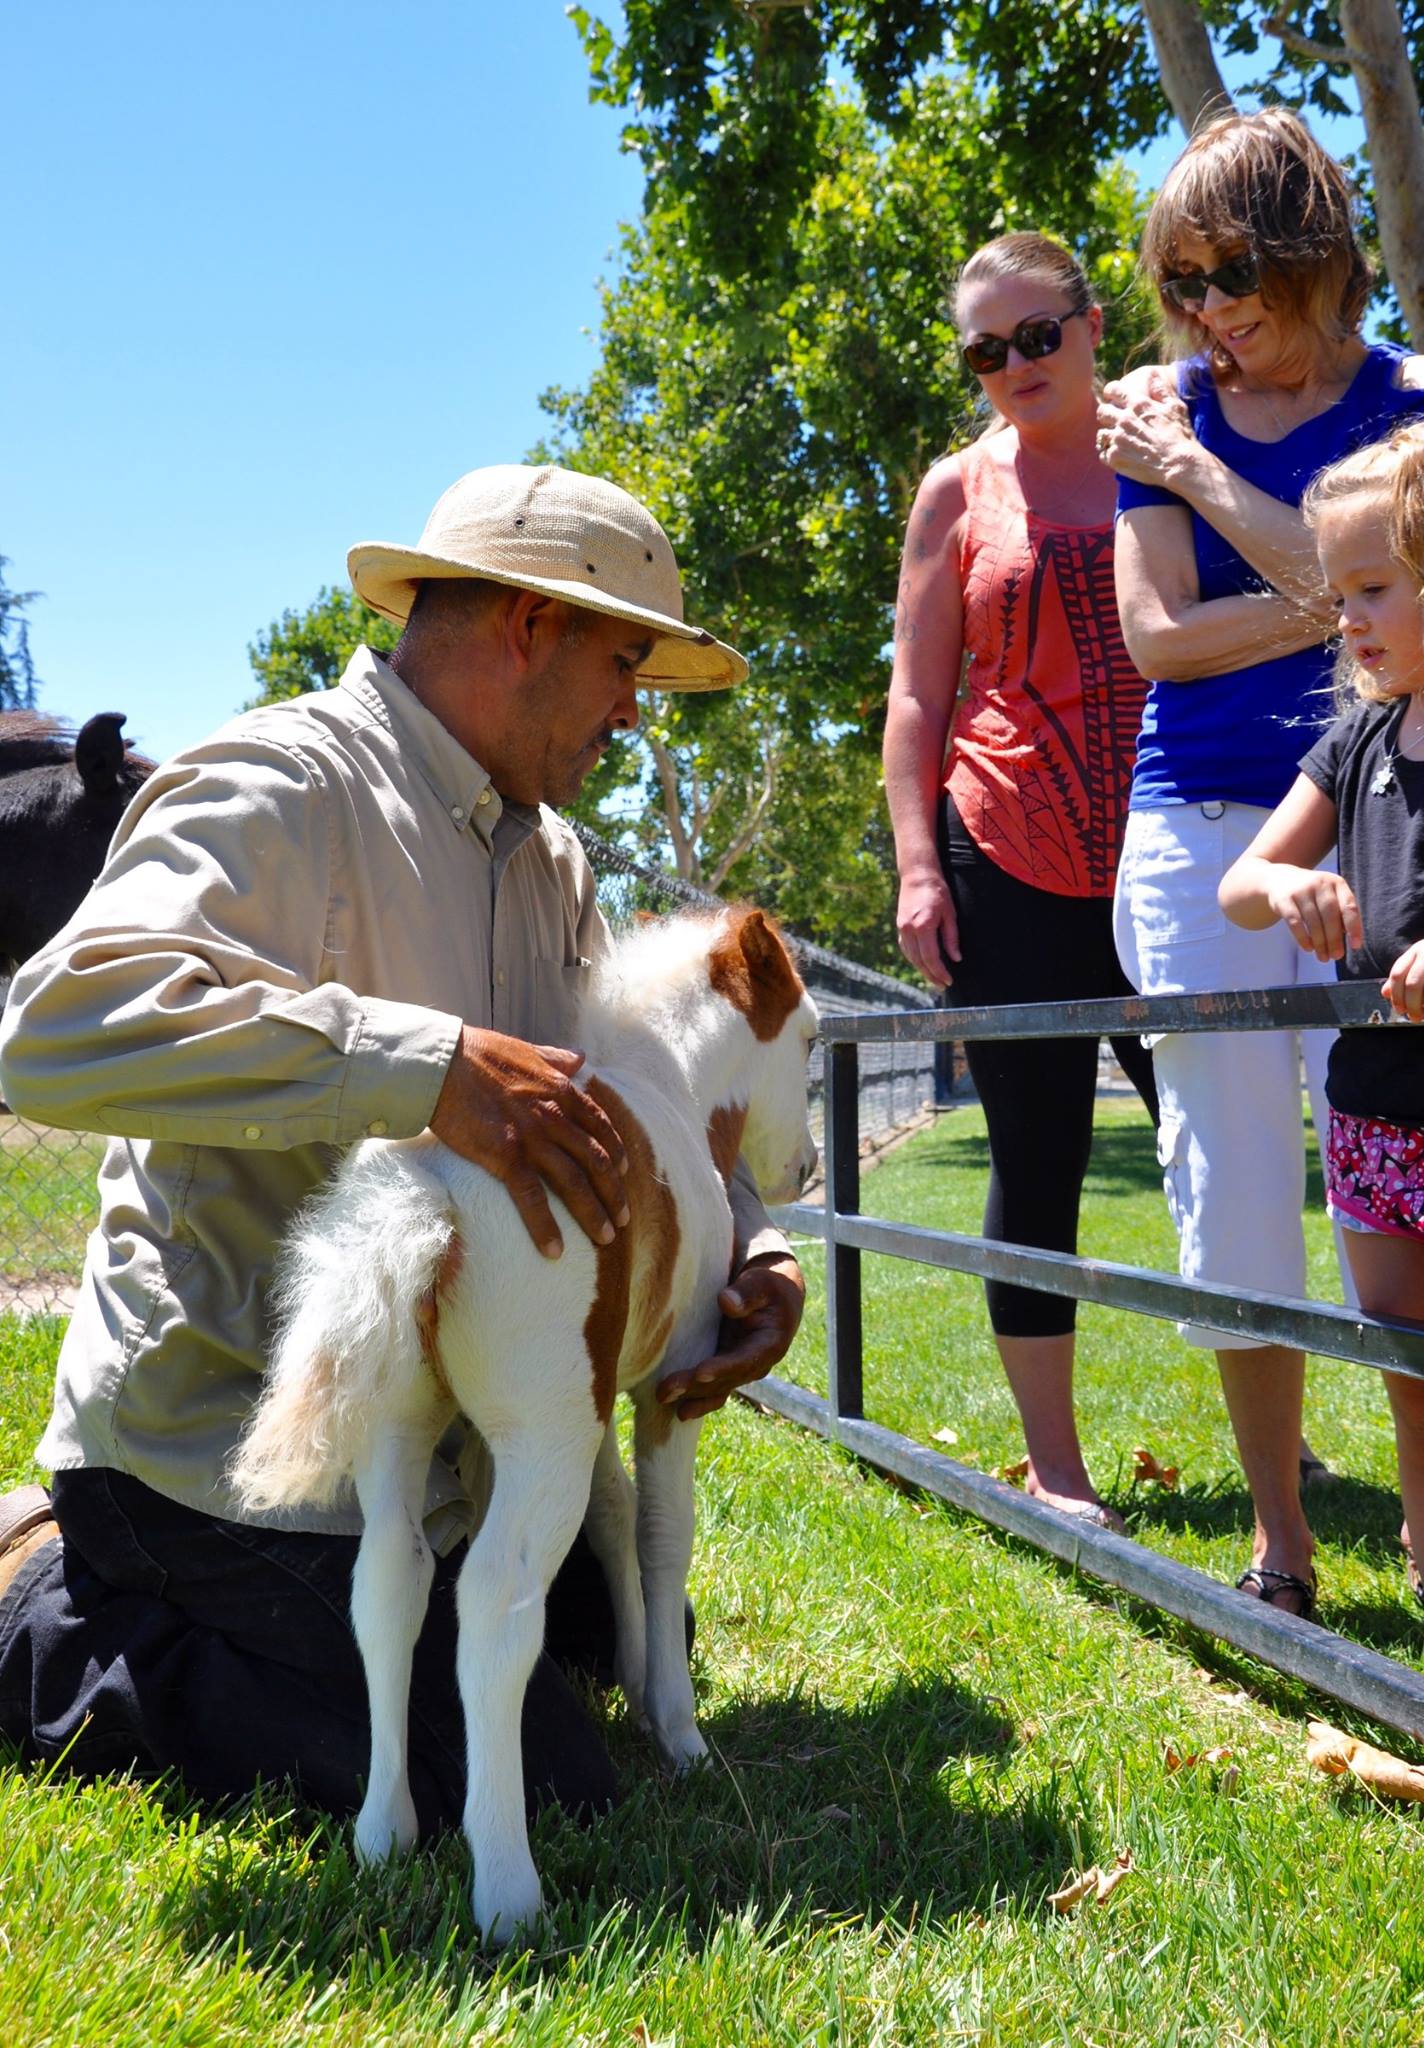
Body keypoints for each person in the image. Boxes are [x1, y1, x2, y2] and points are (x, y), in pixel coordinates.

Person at [0, 463, 805, 1829]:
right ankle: (40, 1607)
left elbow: (631, 1095)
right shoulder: (276, 780)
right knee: (502, 1781)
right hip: (227, 1446)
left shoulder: (551, 857)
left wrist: (754, 1247)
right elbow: (55, 1027)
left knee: (594, 1647)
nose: (630, 712)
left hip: (440, 1426)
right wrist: (420, 1068)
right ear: (527, 628)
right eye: (622, 664)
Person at [1096, 107, 1424, 1615]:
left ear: (1313, 244)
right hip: (1198, 835)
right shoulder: (1152, 406)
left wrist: (1198, 482)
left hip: (1410, 823)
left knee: (1400, 1168)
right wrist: (1343, 589)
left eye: (1229, 266)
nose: (1203, 309)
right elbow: (1156, 643)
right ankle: (1282, 1533)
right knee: (1230, 1186)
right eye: (1176, 280)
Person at [1219, 419, 1424, 1821]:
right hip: (1374, 1133)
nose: (1346, 619)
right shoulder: (1357, 745)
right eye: (1335, 593)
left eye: (1372, 587)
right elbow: (1240, 882)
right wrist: (1288, 894)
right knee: (1422, 1418)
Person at [884, 231, 1159, 1531]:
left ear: (1092, 324)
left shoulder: (1170, 440)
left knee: (1218, 1147)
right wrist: (915, 868)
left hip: (1170, 848)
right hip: (1003, 854)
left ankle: (1283, 1433)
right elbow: (915, 695)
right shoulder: (954, 491)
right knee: (1035, 1154)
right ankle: (1056, 1472)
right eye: (983, 351)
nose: (1012, 367)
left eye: (1034, 336)